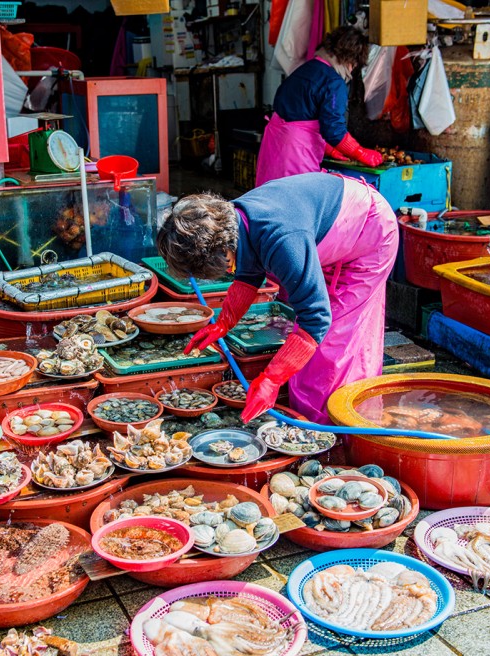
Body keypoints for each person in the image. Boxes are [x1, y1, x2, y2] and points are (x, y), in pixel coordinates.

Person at [156, 172, 398, 423]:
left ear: (220, 248)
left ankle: (330, 428)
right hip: (328, 234)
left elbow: (316, 318)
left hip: (370, 233)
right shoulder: (236, 223)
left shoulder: (281, 238)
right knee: (313, 345)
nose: (229, 271)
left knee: (331, 347)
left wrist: (272, 379)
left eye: (225, 267)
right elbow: (249, 268)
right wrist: (224, 322)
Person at [255, 27, 384, 187]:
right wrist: (360, 152)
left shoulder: (305, 70)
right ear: (352, 60)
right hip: (296, 155)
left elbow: (300, 114)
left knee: (270, 200)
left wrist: (328, 149)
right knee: (298, 203)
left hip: (274, 146)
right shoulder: (333, 82)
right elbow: (334, 130)